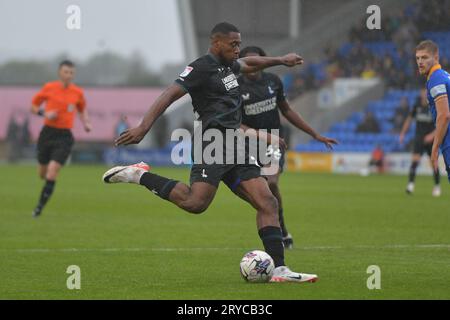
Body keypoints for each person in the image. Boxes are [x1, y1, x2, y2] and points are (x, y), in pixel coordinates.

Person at [103, 22, 318, 283]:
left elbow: (249, 63)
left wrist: (280, 60)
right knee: (196, 204)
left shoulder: (228, 65)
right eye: (233, 44)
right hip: (212, 143)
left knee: (267, 201)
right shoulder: (201, 67)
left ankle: (280, 269)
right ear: (216, 43)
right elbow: (169, 94)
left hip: (236, 144)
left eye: (240, 44)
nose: (238, 49)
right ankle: (138, 175)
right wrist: (143, 127)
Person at [237, 46, 337, 249]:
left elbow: (287, 111)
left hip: (275, 140)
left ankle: (281, 230)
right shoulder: (235, 87)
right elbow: (235, 123)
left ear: (264, 62)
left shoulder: (273, 82)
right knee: (261, 191)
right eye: (249, 62)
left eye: (257, 61)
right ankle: (274, 233)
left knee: (271, 183)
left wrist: (314, 134)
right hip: (248, 143)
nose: (253, 66)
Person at [31, 60, 92, 217]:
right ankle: (43, 186)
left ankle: (38, 208)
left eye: (71, 72)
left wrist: (86, 122)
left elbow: (82, 109)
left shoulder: (77, 92)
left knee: (52, 172)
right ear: (59, 73)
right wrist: (44, 113)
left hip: (64, 136)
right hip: (47, 134)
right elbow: (33, 107)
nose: (68, 75)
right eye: (66, 72)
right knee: (42, 173)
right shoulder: (49, 88)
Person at [415, 40, 450, 183]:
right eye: (417, 58)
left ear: (436, 57)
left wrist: (435, 149)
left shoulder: (436, 79)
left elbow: (444, 115)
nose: (420, 62)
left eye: (424, 57)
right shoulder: (443, 75)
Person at [399, 88, 441, 196]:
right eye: (422, 92)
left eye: (425, 92)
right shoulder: (416, 106)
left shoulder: (434, 107)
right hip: (419, 138)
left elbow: (441, 124)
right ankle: (410, 185)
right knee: (415, 161)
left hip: (431, 140)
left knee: (433, 163)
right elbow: (409, 120)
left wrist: (431, 136)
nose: (423, 94)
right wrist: (403, 133)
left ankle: (437, 186)